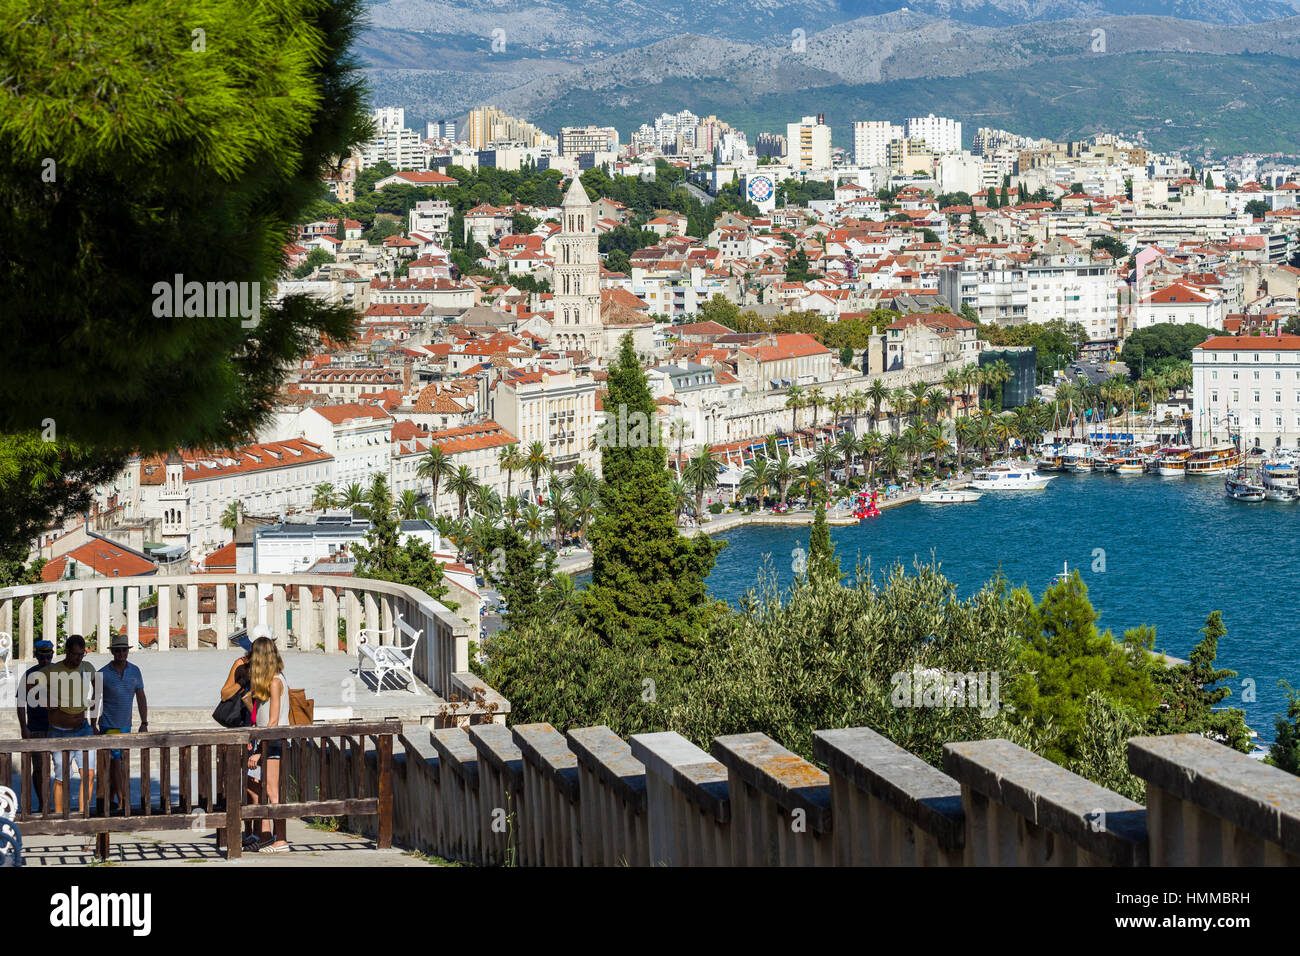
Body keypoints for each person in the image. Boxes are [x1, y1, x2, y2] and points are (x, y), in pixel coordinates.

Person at [39, 635, 98, 813]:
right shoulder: (52, 670)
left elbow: (98, 688)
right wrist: (45, 699)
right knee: (62, 777)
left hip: (82, 728)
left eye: (82, 654)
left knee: (88, 774)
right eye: (75, 654)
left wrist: (94, 718)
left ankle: (82, 816)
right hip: (59, 730)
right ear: (67, 652)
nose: (79, 658)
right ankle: (59, 818)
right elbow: (30, 687)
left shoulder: (88, 668)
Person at [245, 634, 290, 852]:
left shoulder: (275, 681)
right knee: (263, 790)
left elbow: (273, 721)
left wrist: (258, 752)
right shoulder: (269, 681)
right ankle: (267, 836)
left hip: (273, 743)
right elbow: (262, 719)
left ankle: (281, 839)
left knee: (272, 791)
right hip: (265, 741)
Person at [95, 634, 148, 810]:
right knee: (115, 763)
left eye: (123, 650)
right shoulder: (102, 673)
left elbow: (141, 697)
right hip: (108, 725)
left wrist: (144, 722)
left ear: (127, 651)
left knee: (118, 765)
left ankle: (111, 802)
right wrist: (93, 722)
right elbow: (95, 700)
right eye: (117, 650)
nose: (121, 653)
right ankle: (122, 798)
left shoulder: (136, 671)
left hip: (126, 724)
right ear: (113, 652)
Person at [16, 639, 55, 811]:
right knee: (39, 768)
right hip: (37, 727)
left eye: (48, 657)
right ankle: (42, 803)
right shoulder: (29, 675)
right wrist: (24, 727)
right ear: (36, 656)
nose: (45, 661)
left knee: (59, 768)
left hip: (57, 727)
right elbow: (20, 703)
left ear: (52, 655)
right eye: (42, 657)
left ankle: (57, 803)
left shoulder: (59, 673)